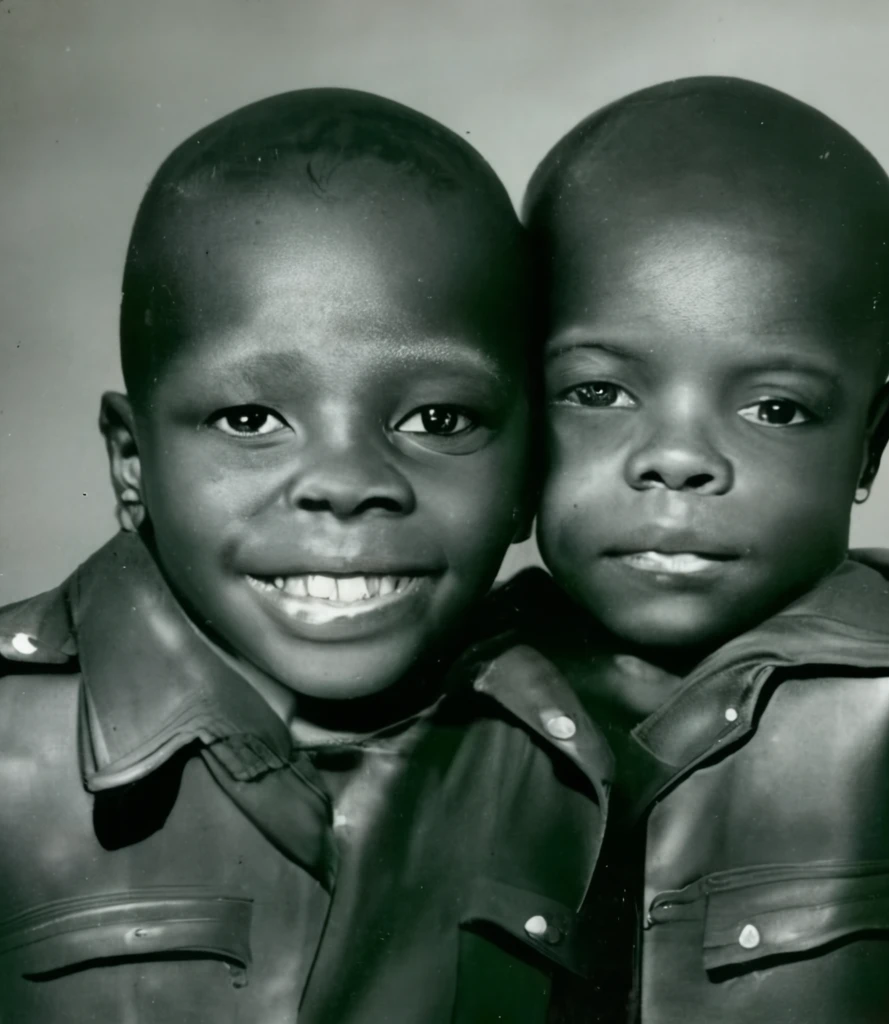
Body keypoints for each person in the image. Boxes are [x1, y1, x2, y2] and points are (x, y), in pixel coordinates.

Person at [0, 88, 611, 1023]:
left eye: (437, 420)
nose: (347, 479)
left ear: (529, 472)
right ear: (132, 463)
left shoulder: (590, 749)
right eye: (251, 420)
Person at [513, 76, 889, 1023]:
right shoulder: (471, 679)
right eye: (598, 393)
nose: (677, 460)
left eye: (774, 409)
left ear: (868, 443)